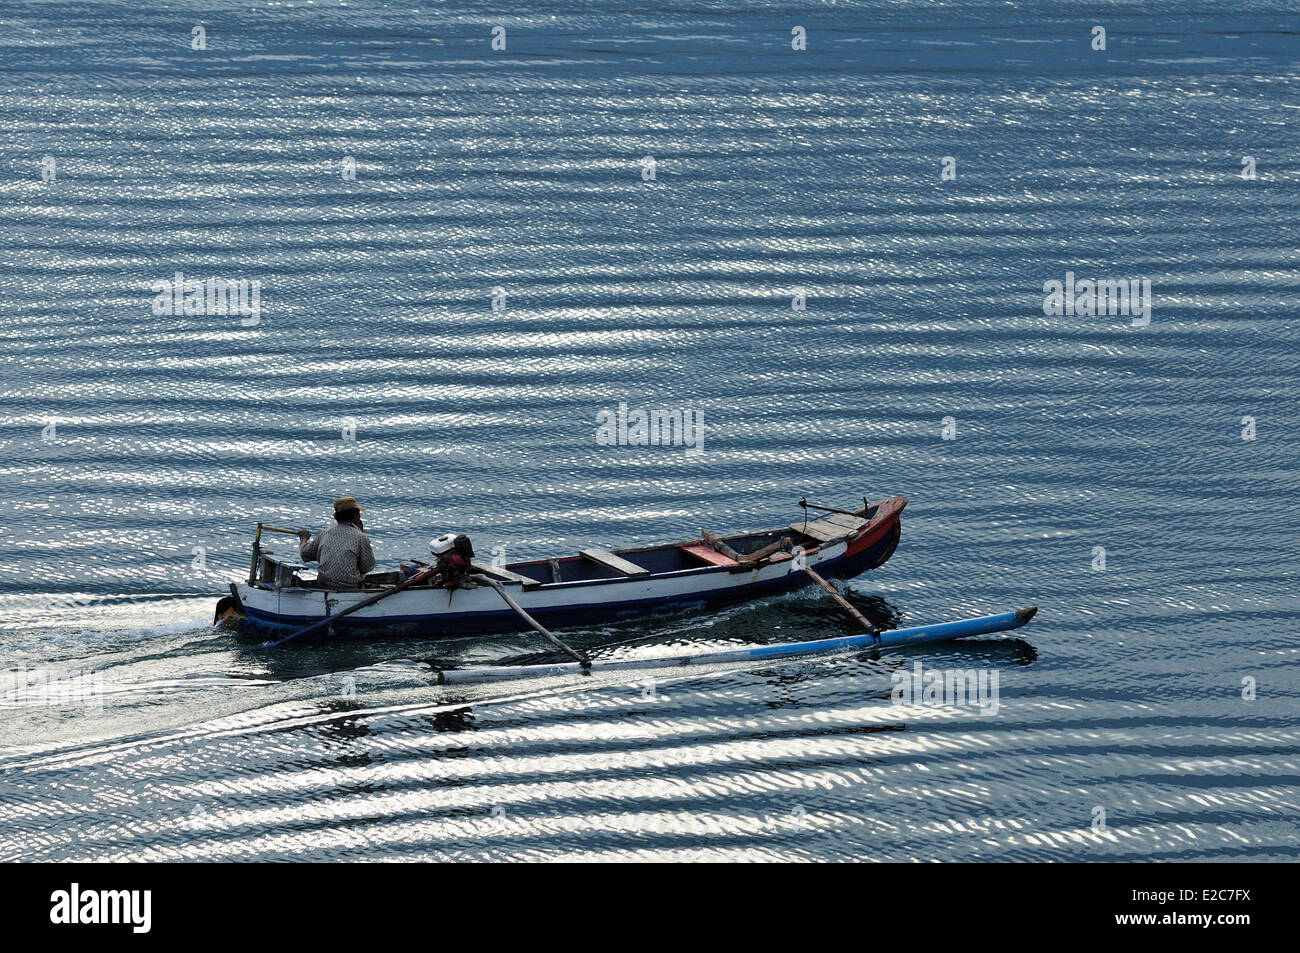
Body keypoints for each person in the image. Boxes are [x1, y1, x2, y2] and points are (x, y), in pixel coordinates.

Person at [298, 497, 376, 590]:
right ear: (356, 515)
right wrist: (361, 532)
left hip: (323, 584)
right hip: (349, 587)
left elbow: (305, 554)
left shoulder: (325, 533)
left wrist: (303, 539)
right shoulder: (361, 537)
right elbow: (368, 567)